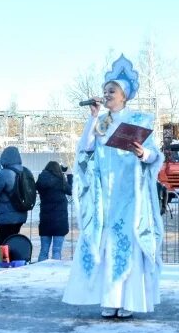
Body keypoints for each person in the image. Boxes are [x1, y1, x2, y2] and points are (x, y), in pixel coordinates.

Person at [63, 55, 165, 319]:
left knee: (126, 244)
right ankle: (109, 299)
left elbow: (155, 156)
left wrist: (143, 154)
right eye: (105, 90)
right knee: (105, 243)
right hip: (103, 196)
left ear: (124, 96)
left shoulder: (140, 120)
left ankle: (126, 300)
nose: (107, 94)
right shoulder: (102, 122)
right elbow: (85, 149)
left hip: (130, 195)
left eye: (112, 91)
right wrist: (93, 119)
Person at [0, 147, 29, 245]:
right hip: (21, 215)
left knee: (4, 246)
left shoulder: (4, 174)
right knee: (13, 243)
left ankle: (6, 261)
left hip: (6, 217)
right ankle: (16, 259)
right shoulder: (25, 171)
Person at [36, 160, 71, 260]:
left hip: (45, 220)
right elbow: (71, 191)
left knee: (44, 250)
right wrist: (69, 176)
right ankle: (54, 272)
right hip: (60, 221)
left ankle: (39, 271)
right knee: (56, 250)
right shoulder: (60, 181)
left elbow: (37, 187)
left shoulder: (41, 179)